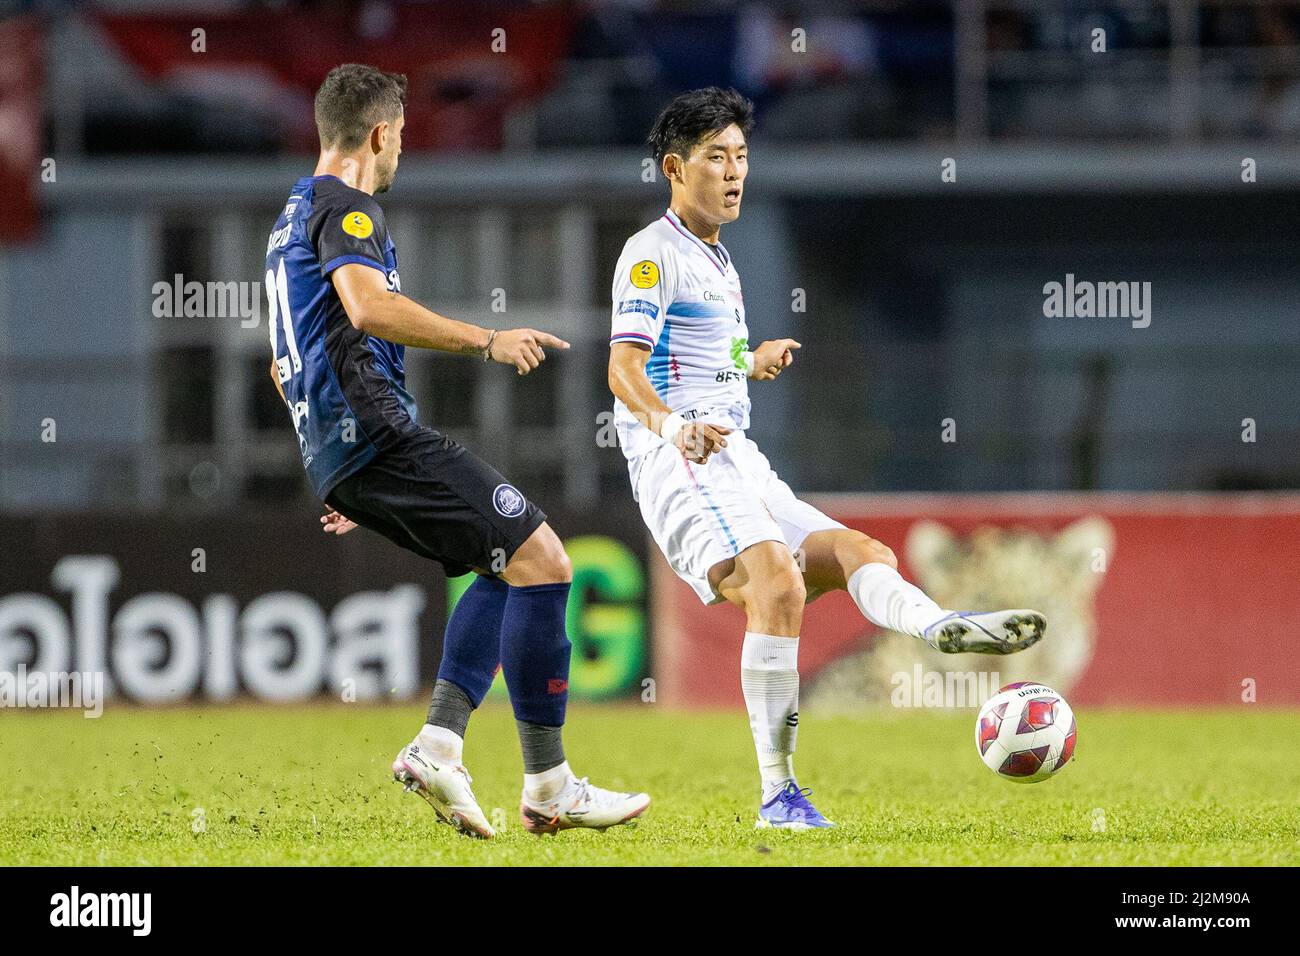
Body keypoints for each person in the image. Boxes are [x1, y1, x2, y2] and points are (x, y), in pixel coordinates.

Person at [606, 87, 1045, 829]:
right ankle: (778, 796)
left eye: (742, 156)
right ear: (676, 168)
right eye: (717, 157)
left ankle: (937, 627)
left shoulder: (715, 258)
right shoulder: (651, 254)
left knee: (855, 550)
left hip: (733, 451)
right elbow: (623, 367)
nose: (735, 171)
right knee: (777, 585)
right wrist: (672, 427)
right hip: (681, 456)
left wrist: (750, 357)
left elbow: (700, 354)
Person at [266, 63, 649, 838]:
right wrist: (488, 340)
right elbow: (369, 310)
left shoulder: (289, 216)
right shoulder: (349, 209)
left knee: (506, 566)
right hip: (376, 433)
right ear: (379, 134)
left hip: (344, 448)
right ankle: (549, 785)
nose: (402, 149)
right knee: (546, 559)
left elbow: (285, 358)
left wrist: (330, 465)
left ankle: (441, 744)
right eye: (402, 135)